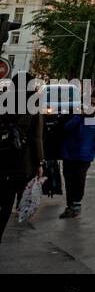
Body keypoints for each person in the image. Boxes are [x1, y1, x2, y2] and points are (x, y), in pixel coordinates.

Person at [0, 77, 44, 245]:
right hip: (19, 162)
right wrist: (40, 162)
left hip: (1, 159)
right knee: (7, 203)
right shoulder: (33, 105)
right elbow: (36, 138)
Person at [58, 93, 95, 220]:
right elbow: (66, 128)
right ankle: (70, 205)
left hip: (85, 156)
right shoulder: (76, 115)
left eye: (94, 104)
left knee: (79, 178)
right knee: (69, 180)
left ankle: (76, 204)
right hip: (69, 154)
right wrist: (79, 117)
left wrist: (94, 146)